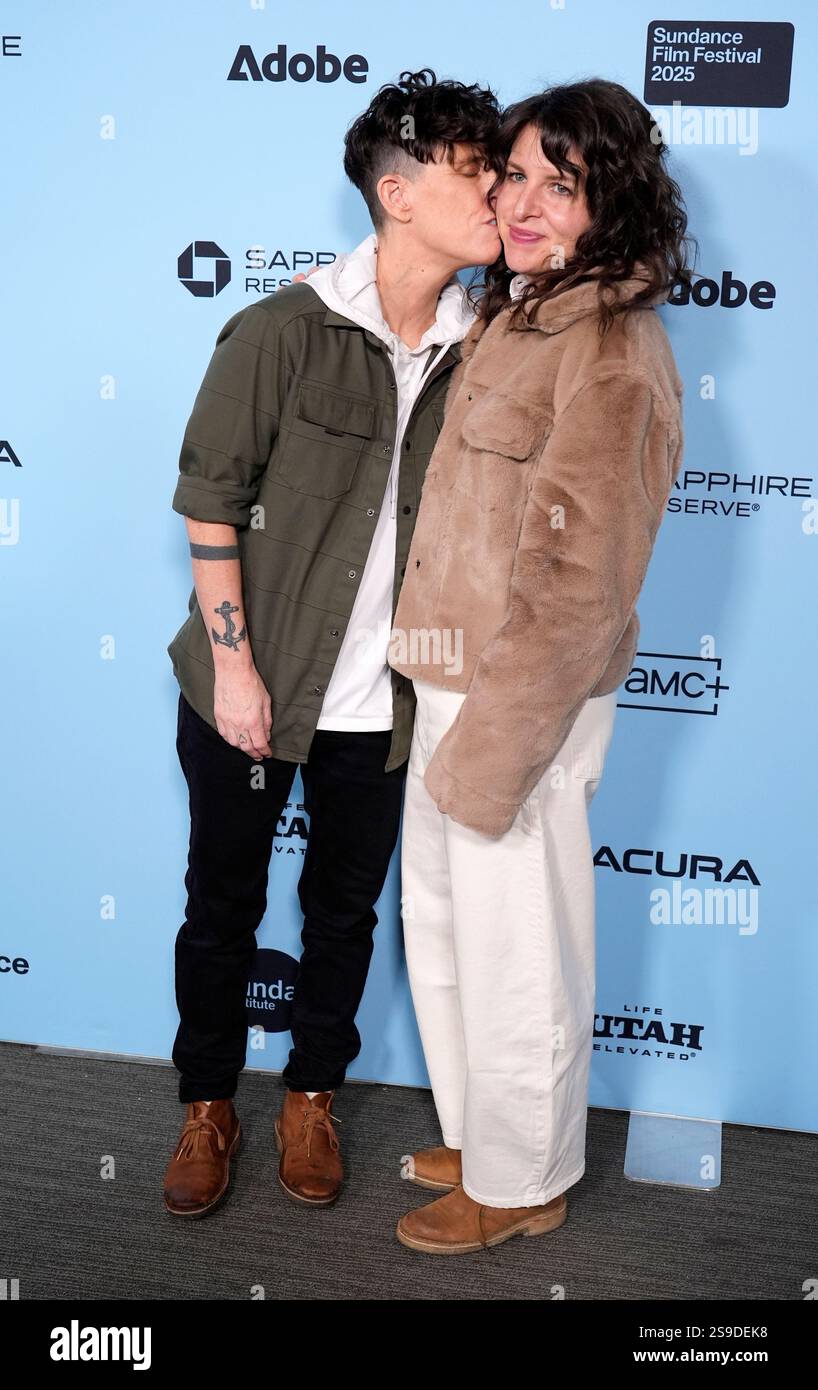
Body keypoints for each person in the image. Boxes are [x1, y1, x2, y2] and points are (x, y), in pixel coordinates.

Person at [162, 69, 502, 1217]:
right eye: (476, 170)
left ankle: (312, 1095)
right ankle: (207, 1103)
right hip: (249, 687)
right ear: (397, 193)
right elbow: (213, 504)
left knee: (345, 913)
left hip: (390, 701)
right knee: (222, 904)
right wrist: (235, 667)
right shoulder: (280, 328)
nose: (499, 189)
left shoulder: (488, 344)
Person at [387, 78, 691, 1254]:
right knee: (448, 929)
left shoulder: (613, 347)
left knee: (521, 949)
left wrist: (494, 741)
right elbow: (460, 524)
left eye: (554, 184)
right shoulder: (511, 317)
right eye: (511, 174)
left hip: (525, 698)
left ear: (605, 201)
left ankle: (522, 1184)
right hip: (447, 675)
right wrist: (420, 685)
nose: (518, 201)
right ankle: (480, 1133)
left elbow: (579, 584)